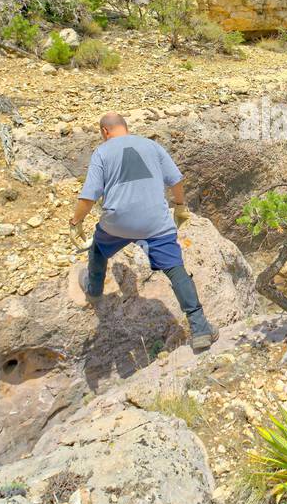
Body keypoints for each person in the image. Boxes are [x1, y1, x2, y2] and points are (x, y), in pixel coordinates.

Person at [68, 113, 218, 352]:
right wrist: (180, 207)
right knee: (175, 269)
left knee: (98, 247)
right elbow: (176, 181)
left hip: (117, 222)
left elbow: (89, 196)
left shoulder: (102, 152)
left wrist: (75, 222)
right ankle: (200, 329)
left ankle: (93, 289)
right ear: (126, 128)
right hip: (154, 223)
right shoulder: (152, 145)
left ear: (105, 131)